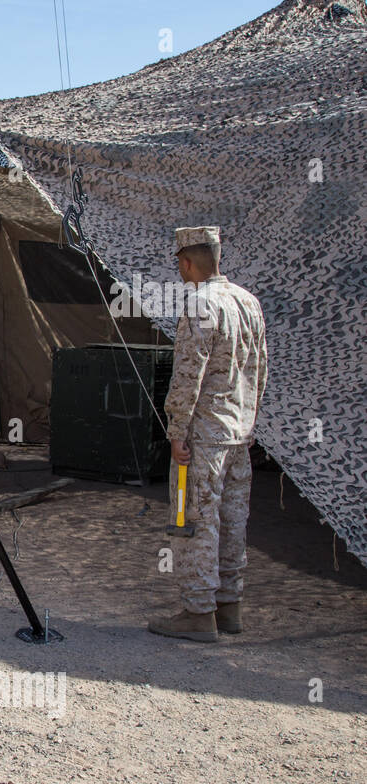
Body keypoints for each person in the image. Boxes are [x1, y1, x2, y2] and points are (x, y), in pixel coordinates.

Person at [149, 226, 268, 643]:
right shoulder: (248, 303)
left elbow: (187, 375)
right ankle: (229, 607)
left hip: (202, 438)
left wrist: (177, 430)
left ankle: (198, 612)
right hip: (239, 434)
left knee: (193, 520)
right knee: (234, 520)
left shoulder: (200, 304)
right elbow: (260, 371)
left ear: (186, 262)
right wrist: (248, 421)